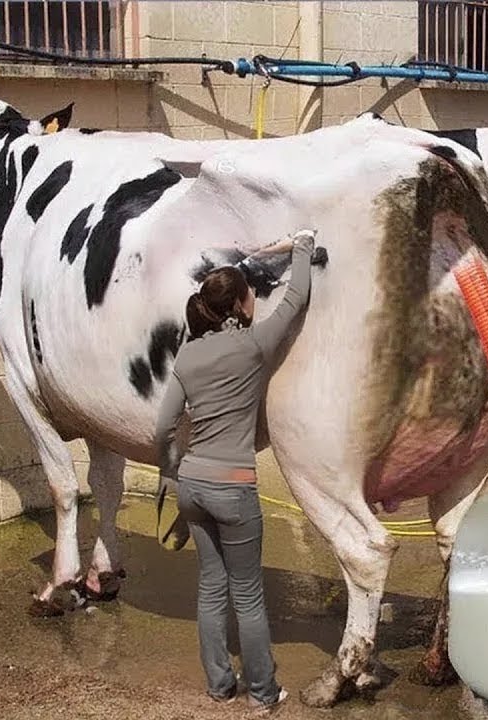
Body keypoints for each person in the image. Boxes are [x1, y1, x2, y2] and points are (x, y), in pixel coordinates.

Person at [154, 229, 323, 711]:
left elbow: (163, 427)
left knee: (211, 587)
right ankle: (264, 693)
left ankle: (220, 686)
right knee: (248, 595)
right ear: (239, 306)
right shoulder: (252, 346)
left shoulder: (188, 355)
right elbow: (296, 298)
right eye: (249, 295)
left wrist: (170, 471)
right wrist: (304, 247)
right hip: (233, 489)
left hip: (193, 486)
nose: (254, 300)